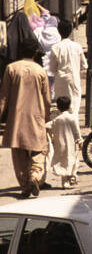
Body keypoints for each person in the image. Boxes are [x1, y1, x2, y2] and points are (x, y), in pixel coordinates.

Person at [0, 47, 52, 196]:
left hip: (16, 118)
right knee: (40, 149)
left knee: (18, 152)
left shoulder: (11, 68)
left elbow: (4, 96)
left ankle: (25, 185)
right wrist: (47, 117)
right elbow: (47, 99)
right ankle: (35, 175)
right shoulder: (40, 70)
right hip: (36, 117)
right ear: (35, 52)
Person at [47, 19, 87, 119]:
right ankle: (74, 129)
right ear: (71, 31)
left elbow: (52, 69)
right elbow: (84, 65)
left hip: (60, 81)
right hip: (74, 79)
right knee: (74, 108)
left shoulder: (55, 48)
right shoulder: (77, 47)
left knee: (62, 110)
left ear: (58, 31)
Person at [48, 94, 82, 189]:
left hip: (60, 145)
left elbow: (49, 127)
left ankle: (65, 182)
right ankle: (73, 176)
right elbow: (76, 132)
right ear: (69, 106)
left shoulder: (56, 120)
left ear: (58, 107)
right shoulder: (72, 118)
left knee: (63, 163)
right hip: (71, 145)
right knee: (74, 161)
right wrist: (80, 141)